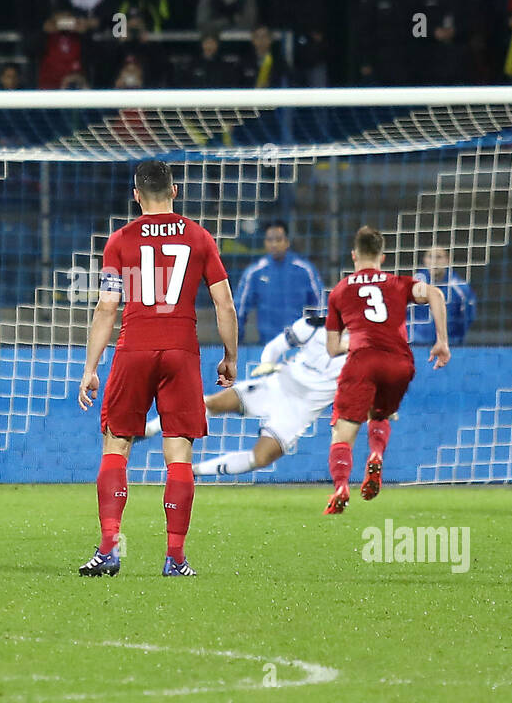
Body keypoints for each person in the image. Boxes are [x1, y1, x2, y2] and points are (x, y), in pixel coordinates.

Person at [77, 160, 238, 577]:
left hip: (135, 347)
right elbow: (224, 303)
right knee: (178, 451)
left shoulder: (120, 241)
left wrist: (91, 367)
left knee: (117, 445)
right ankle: (175, 558)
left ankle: (110, 549)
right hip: (181, 350)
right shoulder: (199, 236)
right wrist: (230, 356)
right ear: (175, 191)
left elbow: (108, 306)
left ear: (136, 195)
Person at [323, 226, 449, 515]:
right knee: (379, 413)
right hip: (399, 362)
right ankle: (377, 453)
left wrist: (356, 339)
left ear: (354, 255)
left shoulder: (341, 291)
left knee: (342, 432)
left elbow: (332, 348)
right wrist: (441, 342)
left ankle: (341, 486)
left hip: (363, 360)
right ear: (382, 257)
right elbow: (436, 296)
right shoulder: (397, 283)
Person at [143, 306, 348, 477]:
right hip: (278, 387)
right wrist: (268, 363)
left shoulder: (367, 350)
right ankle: (148, 430)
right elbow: (275, 348)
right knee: (212, 404)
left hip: (300, 411)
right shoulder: (313, 326)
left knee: (261, 458)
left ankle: (193, 472)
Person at [235, 220, 324, 344]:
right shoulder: (254, 273)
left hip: (301, 345)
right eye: (270, 240)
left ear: (287, 242)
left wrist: (319, 338)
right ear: (265, 243)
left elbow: (320, 304)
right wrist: (236, 339)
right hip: (266, 344)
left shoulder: (305, 270)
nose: (274, 244)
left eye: (278, 239)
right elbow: (239, 308)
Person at [269, 0, 328, 86]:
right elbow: (279, 26)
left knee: (320, 102)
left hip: (313, 59)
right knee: (289, 103)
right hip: (288, 62)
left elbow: (318, 26)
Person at [355, 0, 411, 85]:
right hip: (377, 63)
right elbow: (363, 32)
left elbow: (420, 27)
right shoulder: (370, 0)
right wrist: (365, 61)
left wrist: (417, 54)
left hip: (403, 63)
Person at [407, 246, 477, 345]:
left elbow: (468, 317)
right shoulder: (413, 284)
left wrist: (455, 339)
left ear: (447, 260)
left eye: (439, 257)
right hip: (415, 344)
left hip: (449, 345)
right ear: (425, 260)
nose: (434, 261)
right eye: (430, 257)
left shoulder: (460, 288)